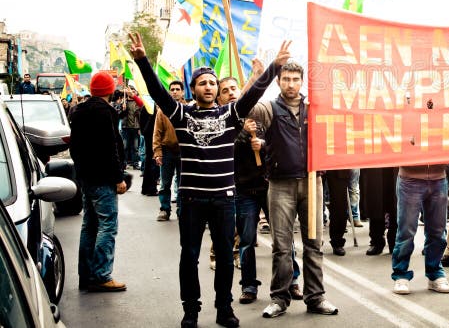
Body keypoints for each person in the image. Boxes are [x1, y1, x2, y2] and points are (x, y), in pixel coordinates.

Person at [129, 32, 291, 328]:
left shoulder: (231, 114)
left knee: (227, 260)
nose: (208, 86)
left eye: (212, 83)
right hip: (191, 200)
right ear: (193, 89)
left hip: (224, 199)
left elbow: (253, 93)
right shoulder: (180, 114)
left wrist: (275, 68)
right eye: (202, 82)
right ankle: (191, 309)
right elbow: (157, 91)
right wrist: (141, 61)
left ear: (217, 90)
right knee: (189, 256)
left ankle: (223, 309)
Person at [257, 61, 339, 318]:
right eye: (285, 79)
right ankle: (279, 298)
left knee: (314, 243)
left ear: (302, 81)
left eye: (295, 79)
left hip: (312, 181)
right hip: (280, 185)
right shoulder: (269, 108)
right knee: (282, 247)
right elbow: (245, 109)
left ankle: (316, 297)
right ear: (278, 82)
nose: (290, 84)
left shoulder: (314, 109)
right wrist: (261, 76)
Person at [69, 71, 128, 292]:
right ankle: (102, 275)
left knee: (90, 226)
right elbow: (110, 148)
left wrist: (82, 172)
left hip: (86, 178)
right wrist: (118, 178)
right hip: (103, 179)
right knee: (107, 226)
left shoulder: (78, 111)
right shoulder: (106, 112)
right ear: (110, 90)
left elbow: (74, 148)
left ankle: (86, 275)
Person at [390, 163, 449, 295]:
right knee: (406, 231)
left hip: (438, 177)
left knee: (438, 230)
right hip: (410, 178)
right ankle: (401, 275)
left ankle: (435, 273)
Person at [154, 80, 186, 222]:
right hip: (167, 151)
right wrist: (157, 152)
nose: (174, 91)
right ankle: (164, 209)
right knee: (165, 183)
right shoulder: (162, 110)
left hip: (184, 152)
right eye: (172, 89)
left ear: (183, 92)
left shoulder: (189, 109)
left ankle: (182, 210)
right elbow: (157, 133)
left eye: (177, 89)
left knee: (183, 183)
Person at [360, 167, 398, 256]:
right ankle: (377, 242)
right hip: (376, 164)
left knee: (395, 203)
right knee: (376, 201)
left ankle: (395, 241)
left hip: (396, 163)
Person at [326, 168, 354, 256]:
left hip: (337, 164)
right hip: (315, 162)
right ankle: (312, 241)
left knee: (339, 204)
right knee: (312, 202)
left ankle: (337, 241)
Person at [121, 85, 142, 169]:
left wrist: (140, 128)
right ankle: (124, 163)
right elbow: (119, 115)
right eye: (130, 91)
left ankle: (135, 163)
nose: (131, 93)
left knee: (135, 147)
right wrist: (123, 109)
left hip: (136, 128)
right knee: (125, 146)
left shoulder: (138, 103)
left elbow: (141, 116)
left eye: (133, 91)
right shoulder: (123, 102)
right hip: (125, 128)